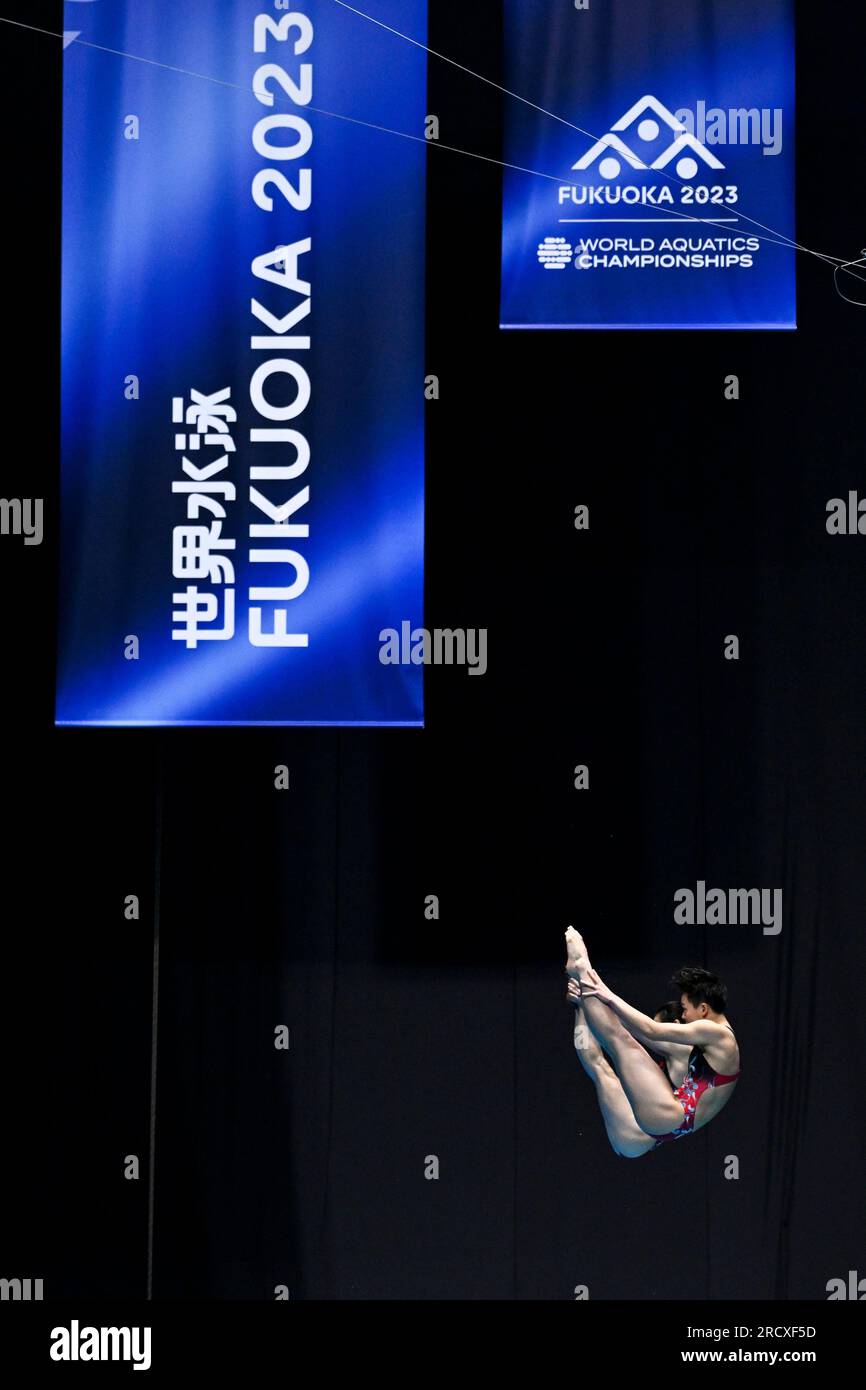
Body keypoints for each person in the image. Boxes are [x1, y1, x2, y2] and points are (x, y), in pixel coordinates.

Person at [565, 927, 740, 1158]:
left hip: (660, 1122)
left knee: (615, 1049)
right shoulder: (713, 1045)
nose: (685, 1016)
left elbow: (650, 1029)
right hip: (644, 1133)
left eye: (686, 1010)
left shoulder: (718, 1035)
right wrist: (587, 1004)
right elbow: (642, 1031)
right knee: (606, 1058)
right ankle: (582, 990)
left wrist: (606, 995)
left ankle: (582, 970)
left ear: (704, 1009)